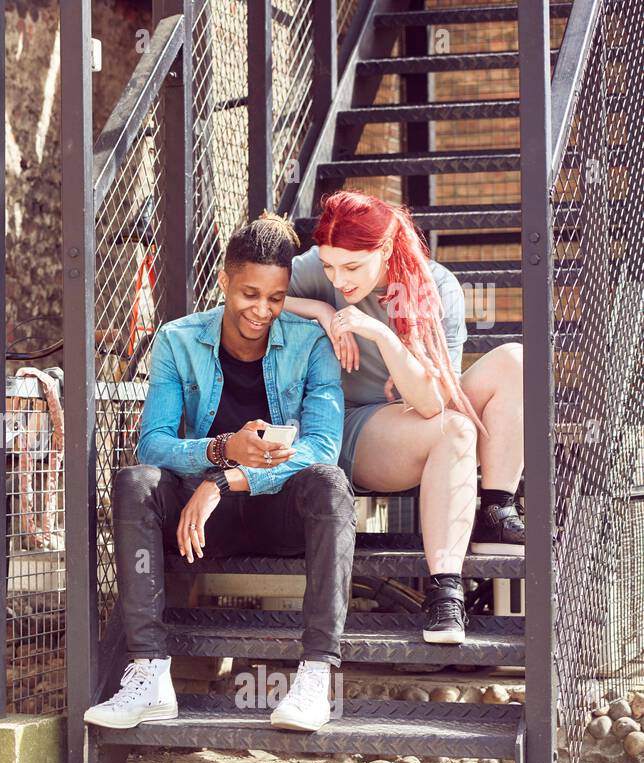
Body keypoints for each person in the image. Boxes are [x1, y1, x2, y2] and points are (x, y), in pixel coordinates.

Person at [83, 213, 356, 733]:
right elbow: (153, 443)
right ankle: (148, 674)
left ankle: (316, 674)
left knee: (330, 484)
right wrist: (220, 449)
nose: (262, 310)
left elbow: (322, 446)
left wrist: (227, 480)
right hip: (204, 525)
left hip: (280, 516)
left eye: (275, 298)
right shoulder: (178, 340)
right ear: (225, 281)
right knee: (134, 481)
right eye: (250, 293)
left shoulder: (309, 344)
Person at [283, 189, 525, 646]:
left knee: (515, 359)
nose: (340, 278)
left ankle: (495, 506)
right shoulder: (317, 270)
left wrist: (380, 335)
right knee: (453, 431)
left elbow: (433, 402)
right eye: (331, 266)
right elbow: (246, 294)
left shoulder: (436, 286)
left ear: (387, 250)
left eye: (352, 267)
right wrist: (320, 307)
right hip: (353, 421)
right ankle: (446, 594)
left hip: (421, 407)